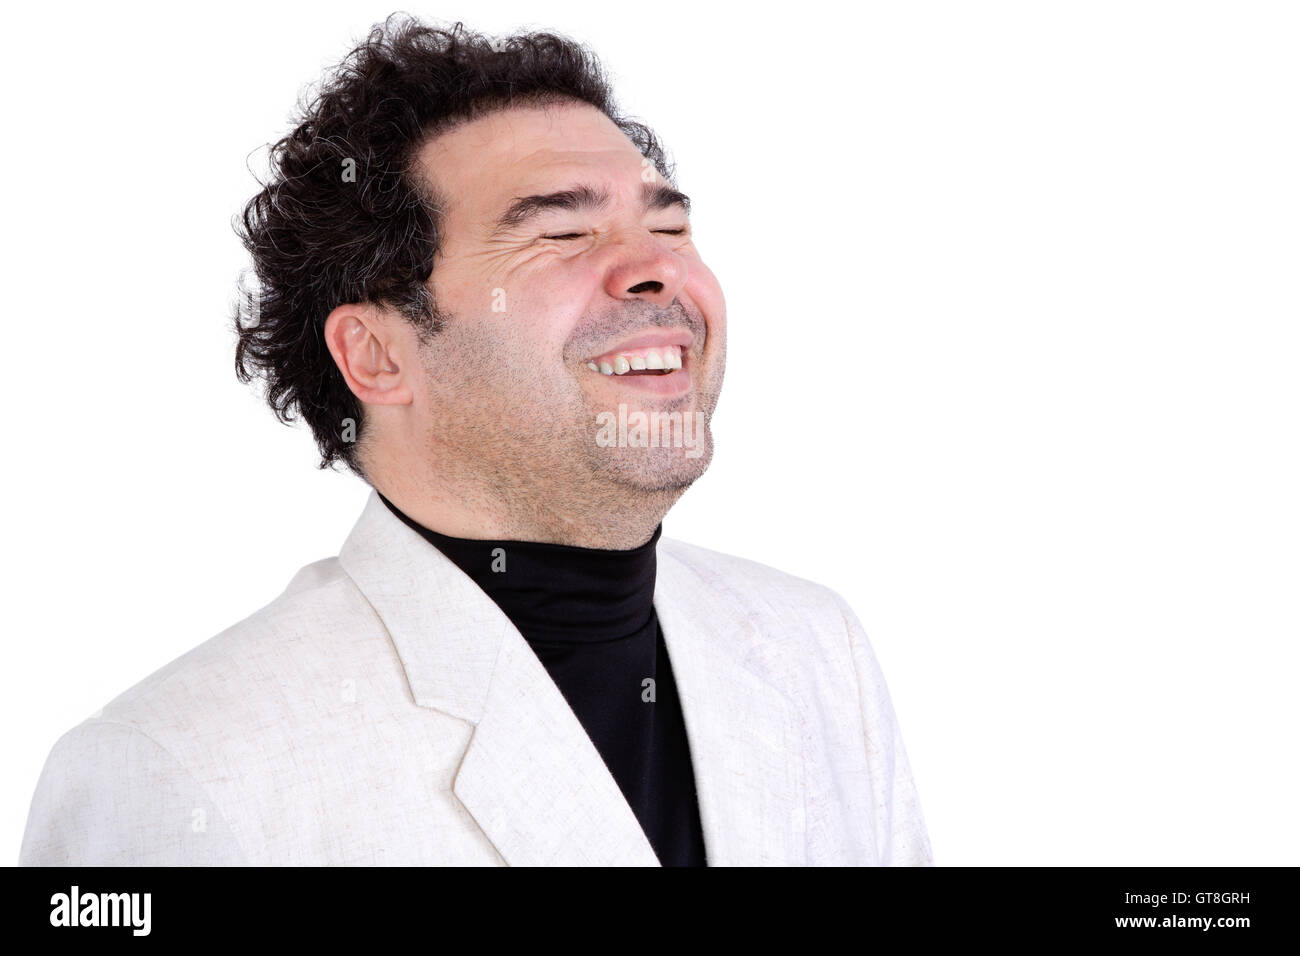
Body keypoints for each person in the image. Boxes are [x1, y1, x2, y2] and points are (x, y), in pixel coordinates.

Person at [19, 14, 932, 866]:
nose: (659, 267)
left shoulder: (819, 655)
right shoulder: (180, 769)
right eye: (563, 232)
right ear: (377, 355)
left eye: (669, 225)